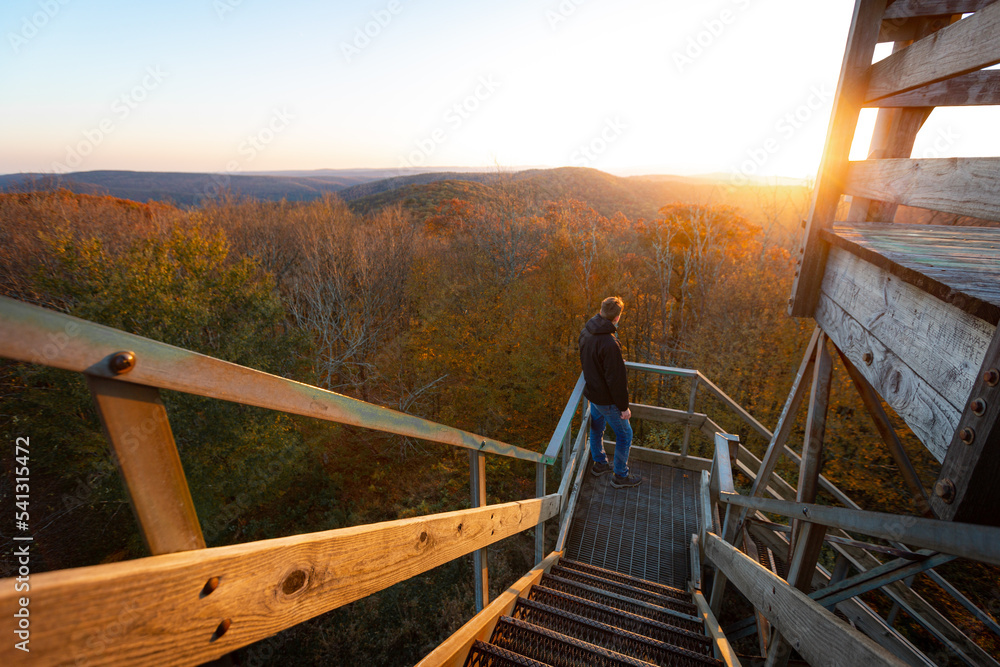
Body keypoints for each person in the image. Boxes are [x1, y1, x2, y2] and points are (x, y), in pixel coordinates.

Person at [579, 296, 641, 488]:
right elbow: (617, 381)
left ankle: (599, 463)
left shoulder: (586, 331)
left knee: (597, 428)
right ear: (617, 317)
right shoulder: (609, 342)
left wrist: (612, 363)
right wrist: (623, 408)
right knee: (625, 435)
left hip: (594, 394)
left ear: (601, 311)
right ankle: (620, 476)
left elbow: (592, 359)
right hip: (606, 398)